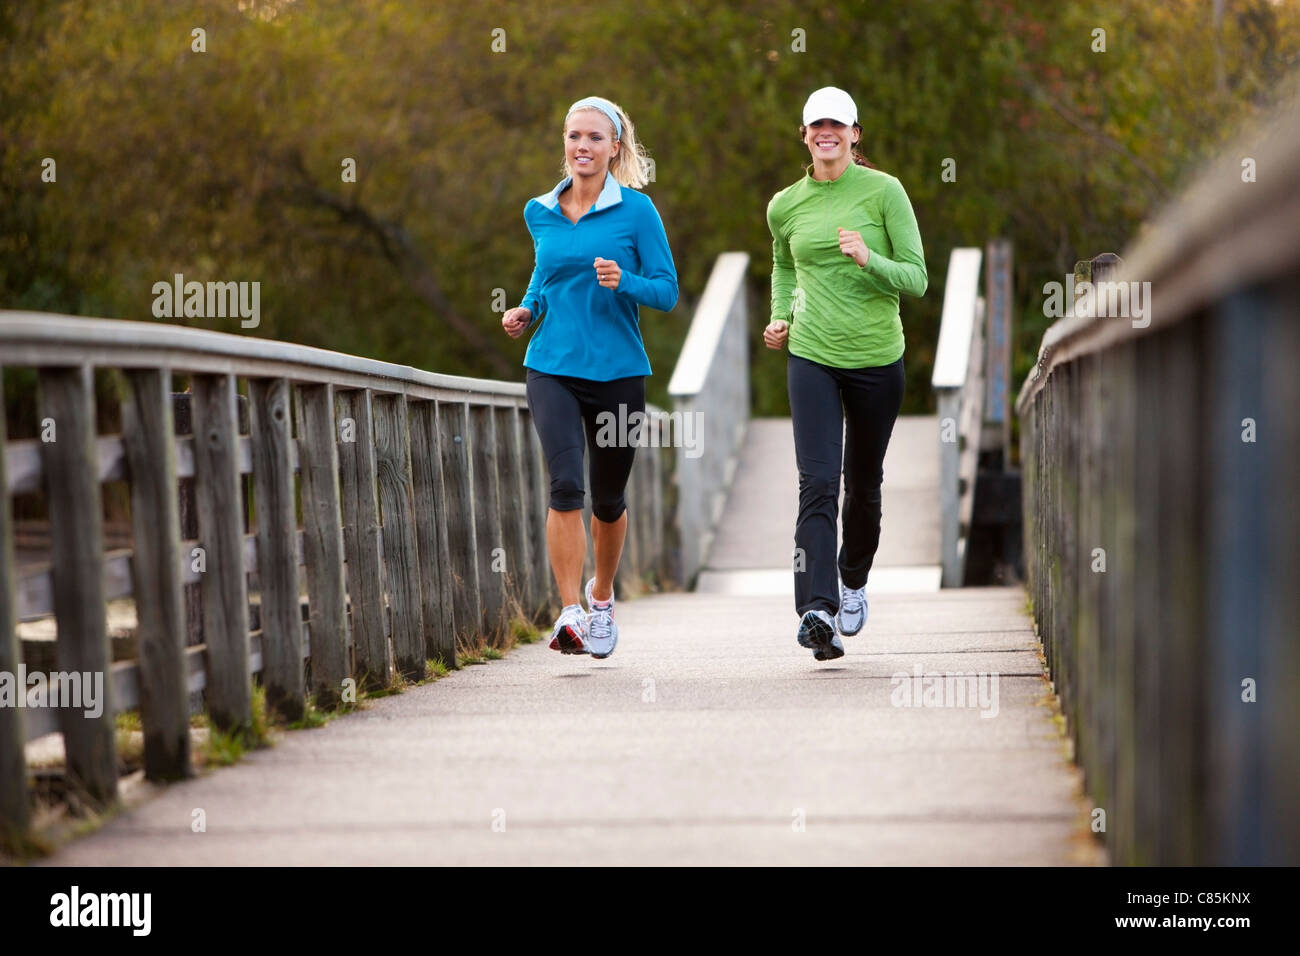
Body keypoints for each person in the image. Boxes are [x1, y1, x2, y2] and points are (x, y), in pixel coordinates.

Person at [502, 95, 678, 659]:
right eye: (575, 136)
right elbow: (545, 275)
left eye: (596, 138)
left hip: (619, 372)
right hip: (550, 365)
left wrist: (625, 280)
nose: (584, 146)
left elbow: (667, 291)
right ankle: (569, 610)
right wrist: (527, 310)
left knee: (607, 498)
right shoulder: (540, 210)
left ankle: (601, 599)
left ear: (615, 148)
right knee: (564, 488)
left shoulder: (637, 212)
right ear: (565, 143)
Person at [763, 86, 927, 662]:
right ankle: (817, 610)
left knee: (863, 486)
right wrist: (780, 317)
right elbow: (784, 265)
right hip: (811, 356)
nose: (826, 133)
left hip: (878, 359)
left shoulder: (885, 192)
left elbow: (916, 279)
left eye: (837, 125)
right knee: (817, 484)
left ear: (855, 134)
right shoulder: (785, 203)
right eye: (816, 126)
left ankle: (852, 579)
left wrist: (868, 259)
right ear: (805, 135)